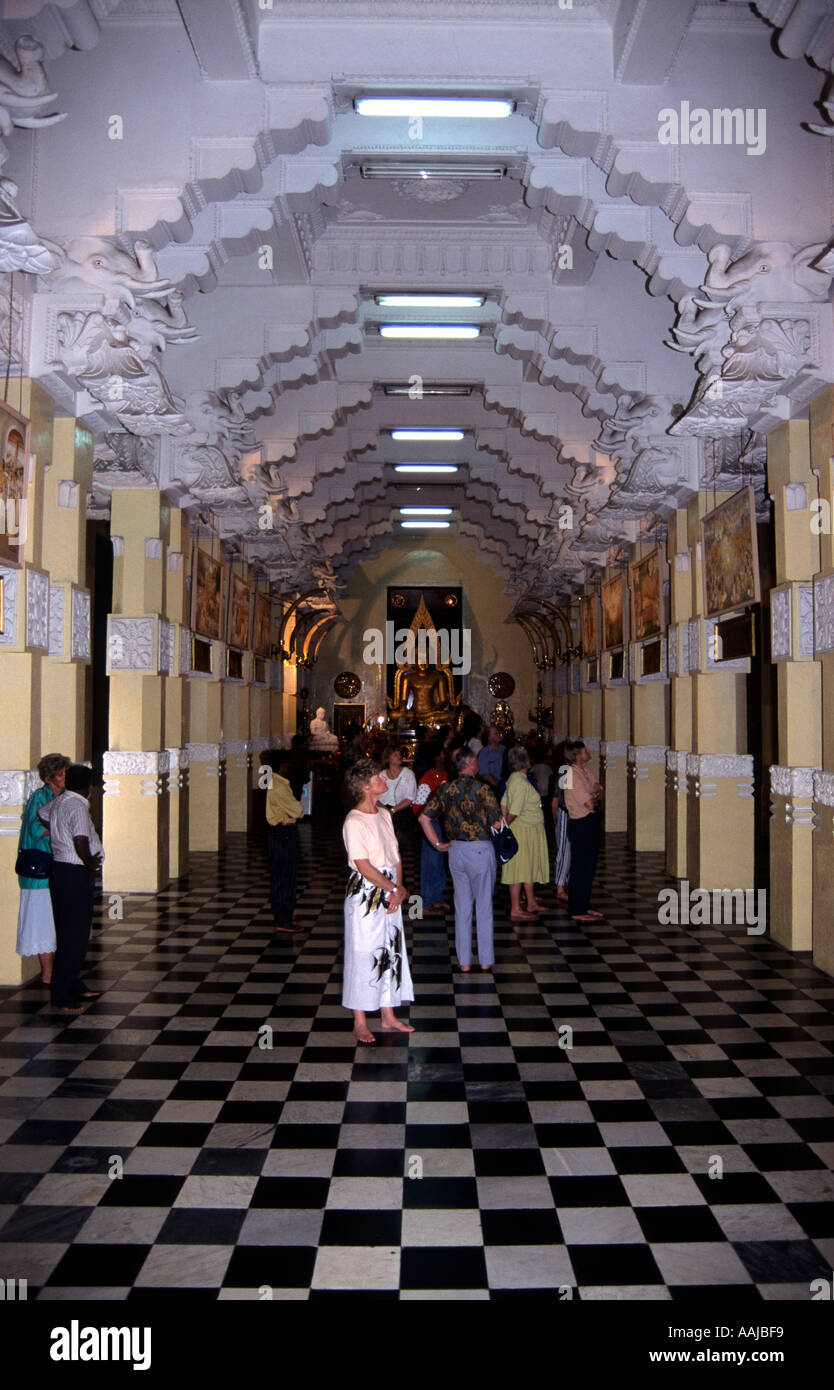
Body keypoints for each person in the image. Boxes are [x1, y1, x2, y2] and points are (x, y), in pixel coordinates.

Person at [342, 759, 414, 1046]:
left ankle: (388, 1014)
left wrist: (399, 887)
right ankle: (360, 1022)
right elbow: (363, 865)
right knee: (362, 954)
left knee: (390, 949)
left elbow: (395, 855)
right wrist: (392, 889)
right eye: (378, 778)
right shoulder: (353, 821)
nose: (383, 779)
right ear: (365, 787)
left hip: (389, 889)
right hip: (366, 894)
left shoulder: (385, 814)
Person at [419, 746, 502, 972]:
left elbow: (424, 818)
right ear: (470, 764)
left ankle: (464, 961)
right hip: (480, 850)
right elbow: (497, 824)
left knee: (462, 907)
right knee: (483, 906)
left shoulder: (447, 788)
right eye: (475, 761)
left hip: (455, 851)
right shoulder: (483, 789)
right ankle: (485, 960)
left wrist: (437, 844)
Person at [37, 763, 103, 1013]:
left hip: (61, 872)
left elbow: (43, 813)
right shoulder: (76, 805)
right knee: (74, 937)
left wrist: (57, 830)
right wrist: (89, 862)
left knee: (69, 933)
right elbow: (80, 839)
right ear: (88, 788)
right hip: (75, 873)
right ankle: (62, 995)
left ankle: (72, 985)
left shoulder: (62, 800)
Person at [16, 753, 71, 985]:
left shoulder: (65, 797)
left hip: (57, 868)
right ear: (49, 778)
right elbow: (37, 830)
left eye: (65, 772)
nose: (64, 777)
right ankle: (48, 974)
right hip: (39, 872)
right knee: (43, 923)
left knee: (58, 921)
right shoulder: (41, 798)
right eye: (60, 774)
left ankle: (56, 972)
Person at [501, 744, 550, 919]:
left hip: (528, 830)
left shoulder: (515, 779)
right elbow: (514, 811)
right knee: (518, 870)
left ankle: (530, 902)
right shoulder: (520, 782)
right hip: (522, 831)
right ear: (525, 762)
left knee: (528, 867)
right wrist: (503, 827)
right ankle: (516, 908)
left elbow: (504, 803)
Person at [562, 739, 604, 924]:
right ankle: (577, 909)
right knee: (580, 867)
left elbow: (600, 791)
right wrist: (595, 795)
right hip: (580, 824)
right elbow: (590, 802)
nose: (589, 751)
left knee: (590, 867)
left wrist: (596, 794)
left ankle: (585, 904)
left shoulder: (585, 771)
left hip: (591, 821)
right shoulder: (571, 775)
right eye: (585, 750)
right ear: (578, 755)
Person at [264, 751, 305, 932]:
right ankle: (283, 919)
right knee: (285, 877)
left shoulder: (274, 781)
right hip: (283, 833)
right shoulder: (279, 786)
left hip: (280, 833)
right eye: (289, 764)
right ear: (282, 765)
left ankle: (283, 916)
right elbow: (298, 811)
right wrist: (295, 810)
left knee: (281, 875)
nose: (291, 767)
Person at [412, 741, 449, 913]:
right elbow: (418, 806)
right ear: (436, 757)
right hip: (432, 823)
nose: (445, 756)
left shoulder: (446, 775)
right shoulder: (427, 778)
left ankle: (437, 897)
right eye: (443, 753)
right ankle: (425, 901)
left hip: (444, 823)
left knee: (440, 862)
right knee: (430, 862)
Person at [378, 743, 418, 846]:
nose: (399, 757)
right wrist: (386, 811)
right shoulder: (381, 775)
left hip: (402, 812)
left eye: (399, 754)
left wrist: (393, 810)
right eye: (395, 755)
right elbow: (375, 797)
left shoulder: (408, 774)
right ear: (388, 758)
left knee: (399, 844)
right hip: (383, 811)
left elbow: (410, 797)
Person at [551, 740, 571, 904]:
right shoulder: (565, 773)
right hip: (565, 814)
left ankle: (565, 882)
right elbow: (557, 801)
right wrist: (556, 820)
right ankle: (559, 887)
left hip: (571, 815)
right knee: (564, 851)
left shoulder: (572, 772)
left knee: (569, 851)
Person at [477, 724, 504, 792]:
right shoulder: (484, 753)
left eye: (498, 732)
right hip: (491, 787)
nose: (499, 735)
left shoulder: (504, 749)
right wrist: (499, 786)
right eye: (495, 733)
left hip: (505, 783)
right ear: (489, 738)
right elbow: (486, 774)